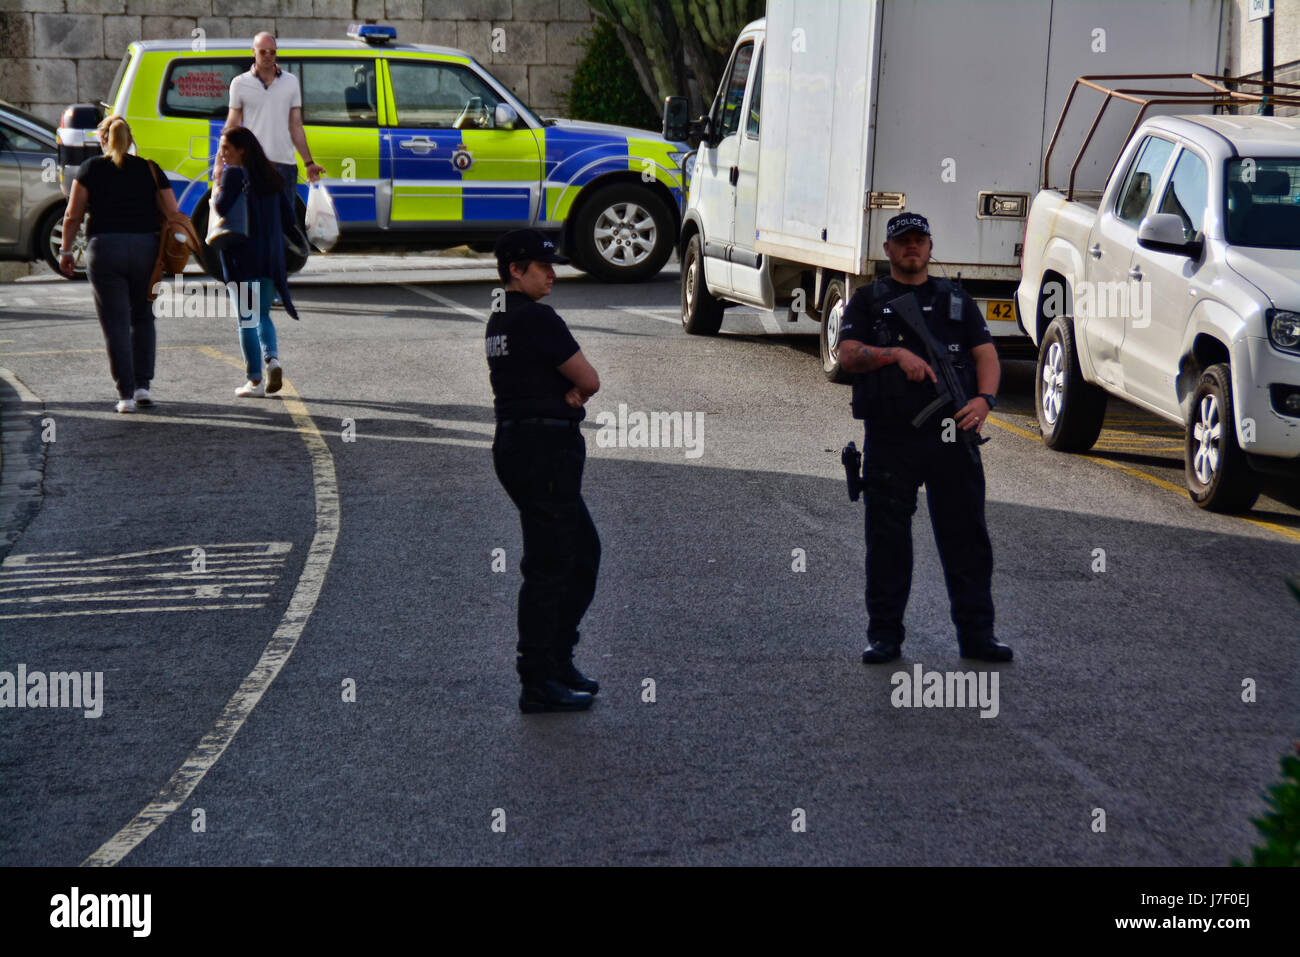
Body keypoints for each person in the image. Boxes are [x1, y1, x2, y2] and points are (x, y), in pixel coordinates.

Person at [838, 212, 1012, 664]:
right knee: (888, 541)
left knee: (966, 541)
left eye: (920, 240)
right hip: (891, 435)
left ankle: (978, 636)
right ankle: (884, 636)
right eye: (903, 241)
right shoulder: (867, 300)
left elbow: (985, 354)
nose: (911, 247)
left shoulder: (956, 299)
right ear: (888, 250)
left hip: (953, 435)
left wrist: (985, 401)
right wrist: (895, 354)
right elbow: (849, 356)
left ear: (930, 248)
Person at [486, 229, 602, 714]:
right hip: (544, 448)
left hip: (520, 444)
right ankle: (537, 678)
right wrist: (572, 392)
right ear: (516, 270)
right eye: (542, 266)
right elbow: (589, 379)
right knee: (552, 565)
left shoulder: (499, 319)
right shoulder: (539, 318)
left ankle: (557, 659)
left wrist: (567, 393)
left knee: (579, 554)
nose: (552, 273)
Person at [61, 115, 178, 413]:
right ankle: (143, 387)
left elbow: (73, 215)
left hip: (105, 249)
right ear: (129, 139)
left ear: (102, 139)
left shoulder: (90, 169)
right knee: (143, 318)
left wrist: (65, 251)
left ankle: (125, 395)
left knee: (115, 324)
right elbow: (173, 211)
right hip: (146, 249)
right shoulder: (149, 168)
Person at [213, 127, 298, 397]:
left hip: (243, 257)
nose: (223, 154)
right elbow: (289, 219)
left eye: (227, 148)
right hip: (271, 258)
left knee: (246, 320)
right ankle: (272, 359)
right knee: (262, 315)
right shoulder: (272, 176)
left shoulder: (233, 174)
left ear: (242, 150)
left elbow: (222, 207)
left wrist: (217, 191)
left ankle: (254, 381)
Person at [216, 32, 322, 223]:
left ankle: (280, 254)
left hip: (285, 165)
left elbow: (296, 125)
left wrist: (308, 163)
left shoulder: (291, 82)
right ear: (253, 52)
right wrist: (219, 163)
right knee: (254, 220)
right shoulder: (240, 83)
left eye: (271, 51)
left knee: (284, 223)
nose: (267, 55)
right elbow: (232, 125)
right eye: (263, 51)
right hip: (253, 164)